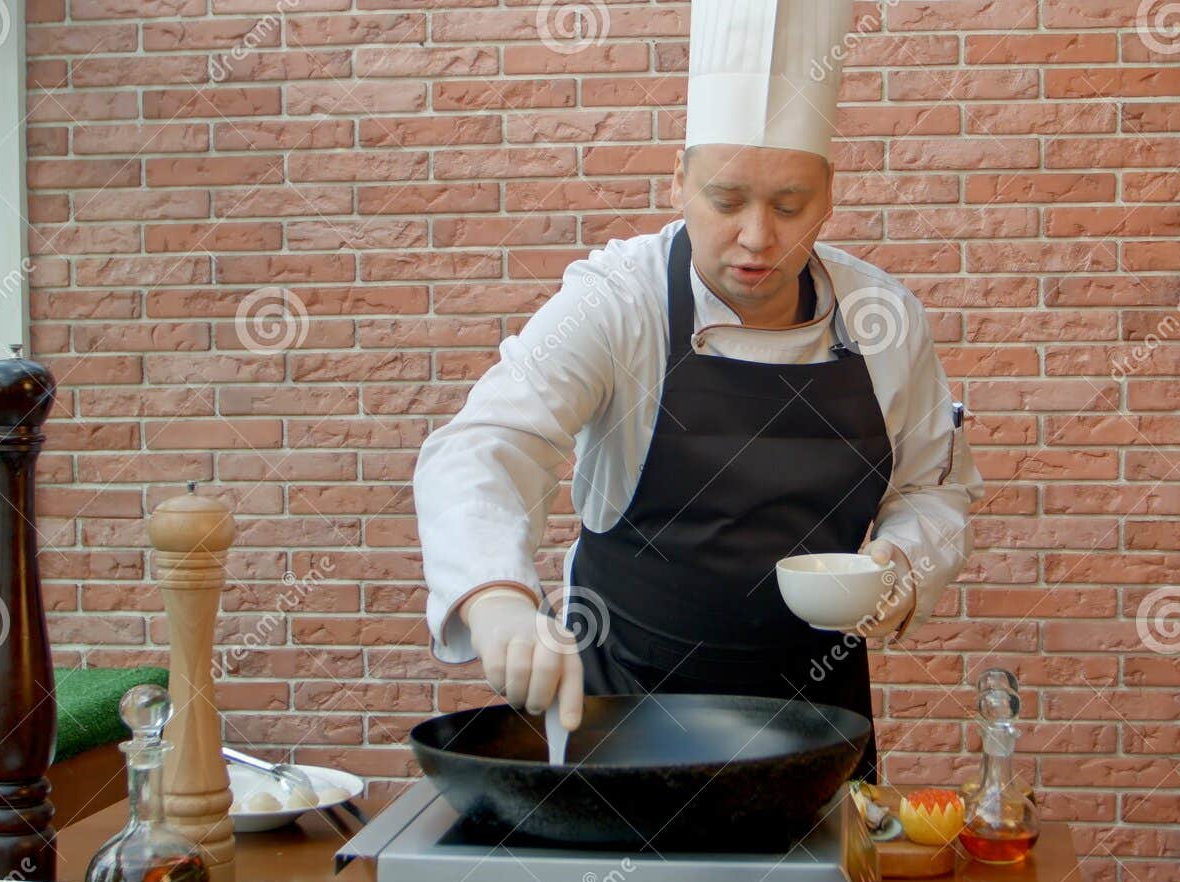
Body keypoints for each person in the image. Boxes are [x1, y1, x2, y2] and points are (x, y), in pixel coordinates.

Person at [412, 0, 983, 782]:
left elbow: (934, 488)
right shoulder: (619, 301)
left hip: (818, 734)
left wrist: (901, 567)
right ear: (677, 182)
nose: (757, 237)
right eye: (726, 200)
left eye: (790, 206)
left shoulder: (883, 320)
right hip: (624, 729)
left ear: (829, 194)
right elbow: (486, 443)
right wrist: (499, 598)